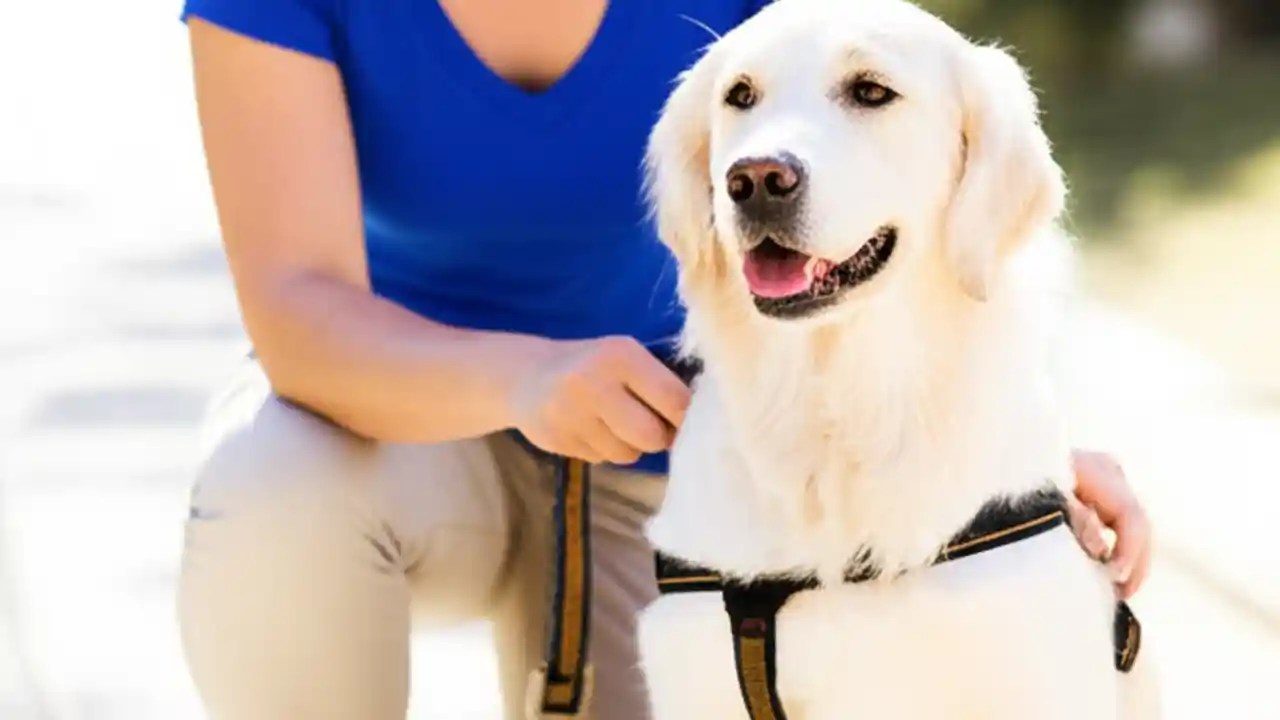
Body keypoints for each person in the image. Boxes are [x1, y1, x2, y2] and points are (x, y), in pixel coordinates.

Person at [176, 1, 1153, 718]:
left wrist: (1022, 452)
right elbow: (299, 310)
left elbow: (919, 172)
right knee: (270, 486)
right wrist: (524, 381)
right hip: (421, 436)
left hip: (679, 474)